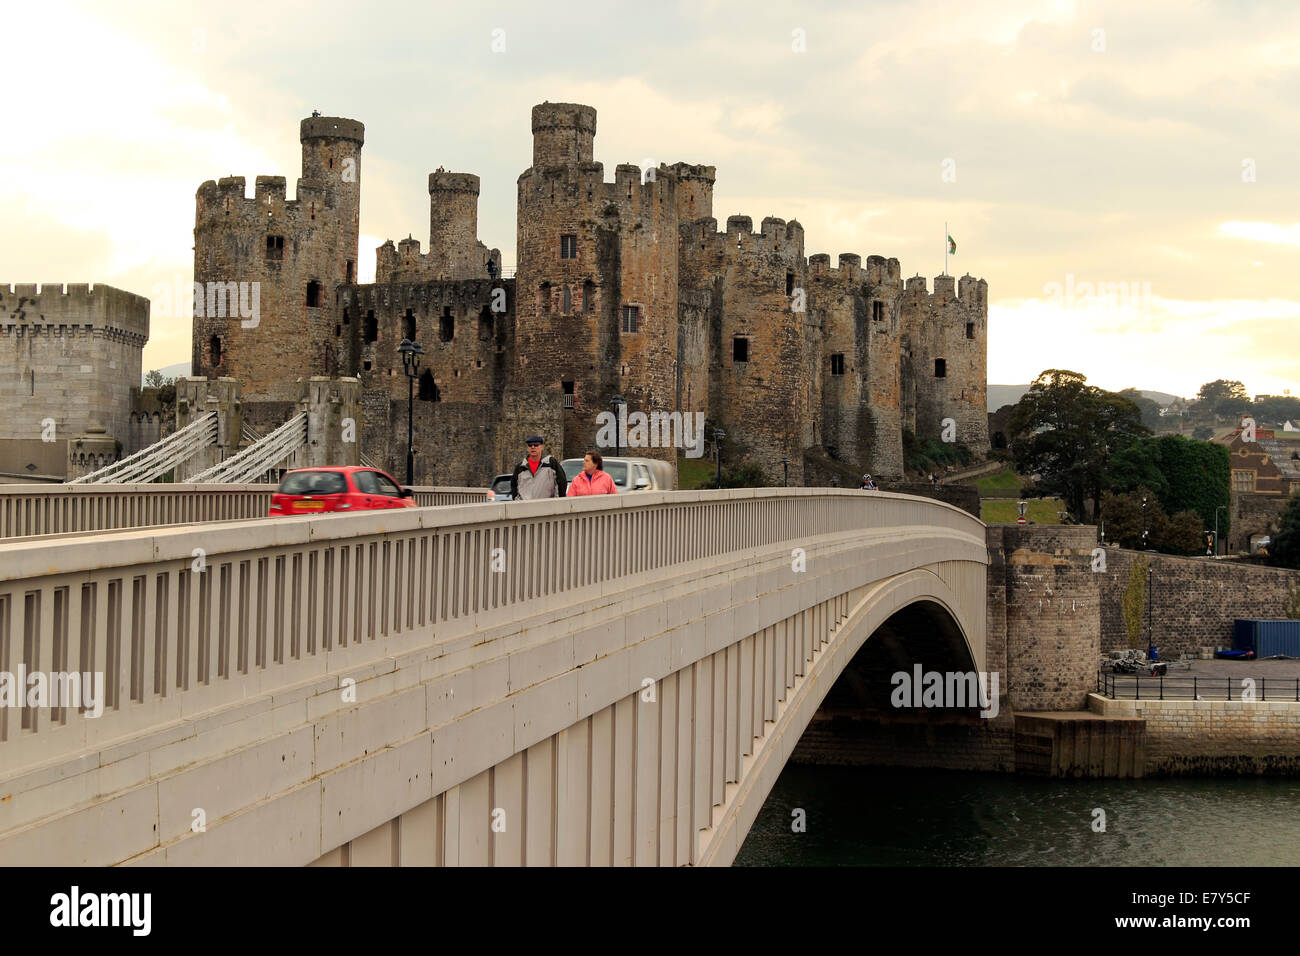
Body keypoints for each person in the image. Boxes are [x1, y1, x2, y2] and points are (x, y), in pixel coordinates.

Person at [509, 436, 567, 500]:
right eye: (530, 445)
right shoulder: (520, 468)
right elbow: (514, 486)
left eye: (536, 445)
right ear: (527, 448)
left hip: (547, 507)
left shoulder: (551, 463)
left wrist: (557, 502)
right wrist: (518, 502)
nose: (533, 447)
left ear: (542, 447)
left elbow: (561, 482)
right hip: (526, 508)